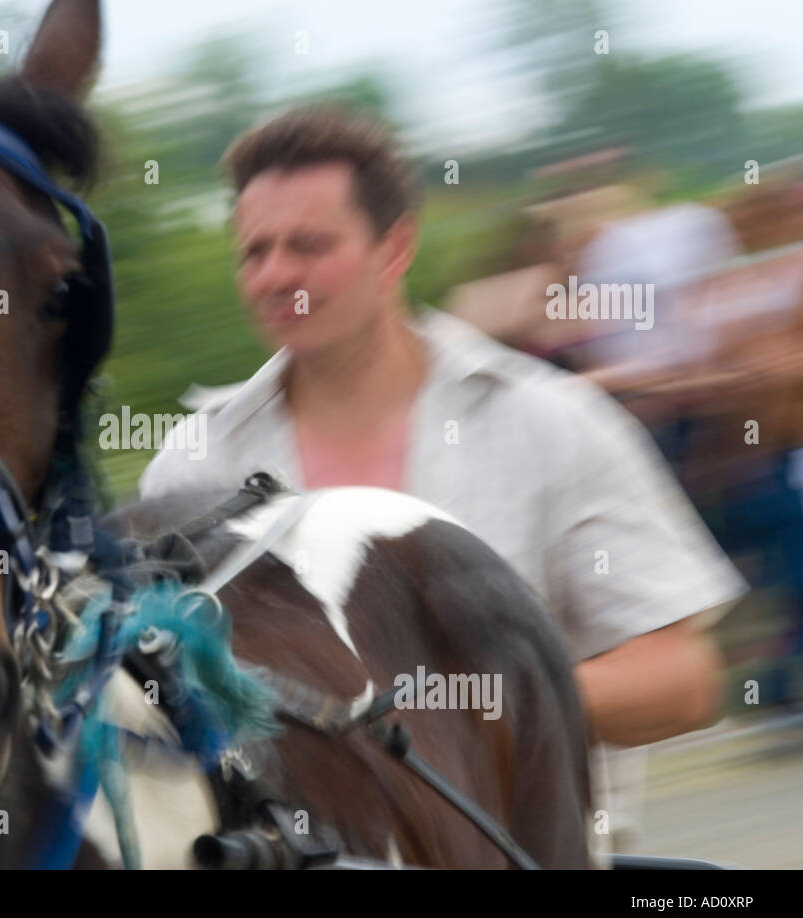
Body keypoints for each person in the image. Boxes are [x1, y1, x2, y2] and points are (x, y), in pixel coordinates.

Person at [137, 106, 747, 860]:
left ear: (394, 248)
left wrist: (467, 712)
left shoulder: (552, 423)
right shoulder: (195, 462)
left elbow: (685, 679)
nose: (274, 276)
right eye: (254, 251)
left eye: (309, 245)